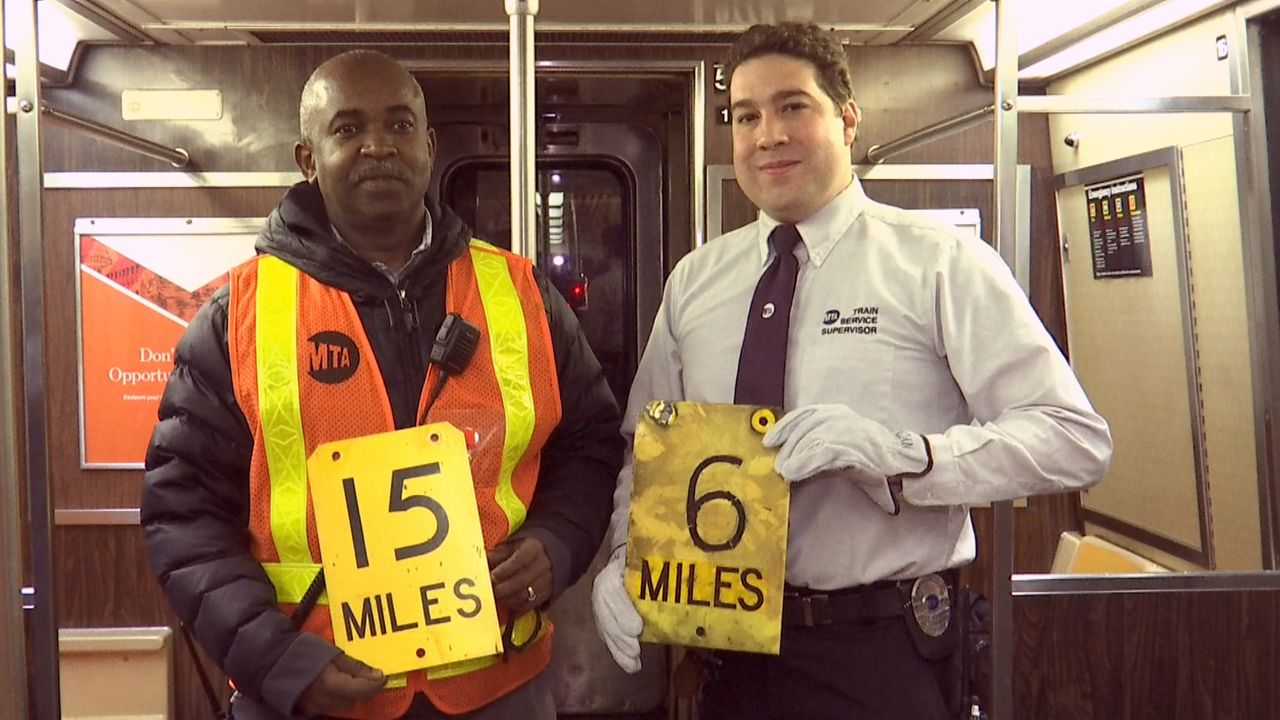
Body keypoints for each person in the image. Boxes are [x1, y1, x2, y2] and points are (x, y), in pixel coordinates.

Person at [590, 21, 1112, 720]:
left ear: (847, 118)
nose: (767, 134)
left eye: (792, 107)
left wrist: (902, 457)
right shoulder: (696, 282)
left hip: (877, 648)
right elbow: (649, 448)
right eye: (746, 116)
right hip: (725, 650)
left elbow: (1072, 439)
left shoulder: (936, 262)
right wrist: (625, 556)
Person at [141, 50, 623, 720]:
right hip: (316, 689)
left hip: (499, 686)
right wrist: (275, 659)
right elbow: (183, 512)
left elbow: (591, 444)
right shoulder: (237, 318)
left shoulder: (520, 293)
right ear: (308, 159)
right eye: (347, 129)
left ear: (427, 147)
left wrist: (558, 540)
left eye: (399, 127)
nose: (377, 146)